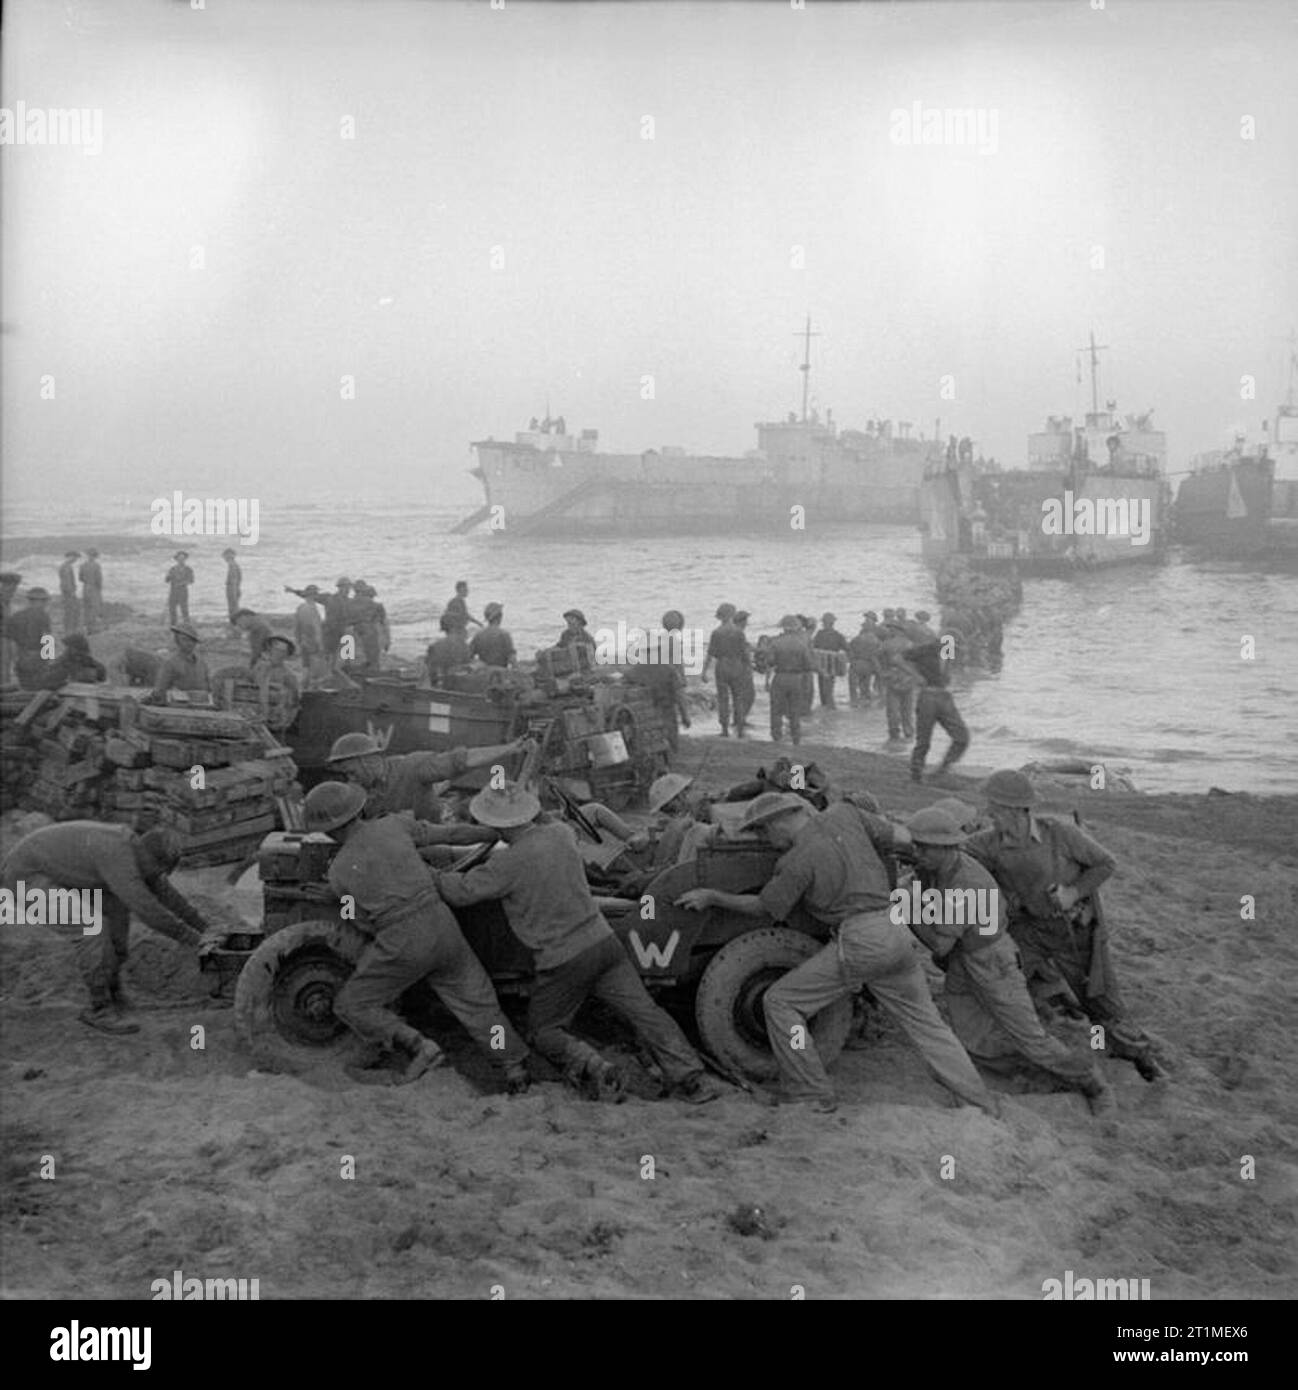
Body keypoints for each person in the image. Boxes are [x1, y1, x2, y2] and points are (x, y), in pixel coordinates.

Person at [676, 791, 998, 1116]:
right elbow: (901, 838)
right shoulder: (847, 813)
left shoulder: (796, 860)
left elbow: (763, 906)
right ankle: (979, 1102)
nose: (765, 839)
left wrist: (714, 897)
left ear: (781, 821)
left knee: (780, 1002)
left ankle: (811, 1090)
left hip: (862, 942)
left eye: (763, 830)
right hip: (896, 930)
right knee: (928, 1025)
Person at [436, 782, 725, 1104]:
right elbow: (552, 821)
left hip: (564, 958)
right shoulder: (560, 833)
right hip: (604, 942)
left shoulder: (506, 864)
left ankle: (597, 1068)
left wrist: (426, 874)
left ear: (494, 824)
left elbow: (460, 892)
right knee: (646, 1013)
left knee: (543, 1032)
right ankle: (694, 1079)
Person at [305, 781, 531, 1090]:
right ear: (358, 810)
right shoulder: (394, 825)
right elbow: (451, 834)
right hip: (443, 924)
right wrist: (496, 831)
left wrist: (337, 898)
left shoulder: (339, 872)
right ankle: (515, 1069)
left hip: (402, 941)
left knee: (352, 1004)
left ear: (328, 831)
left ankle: (419, 1046)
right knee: (479, 1005)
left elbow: (359, 922)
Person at [904, 808, 1114, 1116]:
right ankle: (1017, 1073)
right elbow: (924, 890)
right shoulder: (942, 867)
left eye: (922, 847)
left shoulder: (967, 884)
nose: (916, 852)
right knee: (969, 1031)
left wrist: (908, 909)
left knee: (1030, 1037)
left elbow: (940, 944)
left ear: (945, 848)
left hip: (992, 961)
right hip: (968, 956)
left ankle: (1092, 1083)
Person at [964, 770, 1165, 1081]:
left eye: (996, 807)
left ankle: (1139, 1056)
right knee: (1000, 976)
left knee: (1101, 1001)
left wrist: (1073, 893)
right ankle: (1035, 1020)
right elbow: (960, 854)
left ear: (1017, 810)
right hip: (1028, 931)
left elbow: (1105, 864)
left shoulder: (1060, 834)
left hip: (1072, 931)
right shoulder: (988, 842)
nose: (989, 812)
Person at [1, 823, 213, 1034]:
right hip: (26, 876)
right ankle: (99, 1008)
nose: (158, 876)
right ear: (149, 858)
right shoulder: (118, 856)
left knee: (117, 916)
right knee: (91, 927)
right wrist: (191, 938)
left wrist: (205, 929)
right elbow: (146, 909)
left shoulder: (136, 853)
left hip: (59, 872)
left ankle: (114, 991)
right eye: (159, 870)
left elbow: (165, 893)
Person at [325, 729, 527, 823]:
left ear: (368, 762)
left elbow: (460, 761)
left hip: (434, 836)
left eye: (352, 772)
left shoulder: (412, 767)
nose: (350, 780)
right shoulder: (357, 791)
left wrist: (509, 749)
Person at [901, 630, 969, 783]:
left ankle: (942, 769)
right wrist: (916, 676)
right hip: (928, 696)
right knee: (923, 740)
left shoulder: (948, 652)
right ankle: (916, 772)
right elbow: (898, 658)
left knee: (962, 737)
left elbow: (946, 669)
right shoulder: (926, 649)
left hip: (944, 696)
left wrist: (947, 674)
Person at [629, 610, 691, 754]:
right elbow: (678, 670)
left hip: (648, 699)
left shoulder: (639, 666)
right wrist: (685, 714)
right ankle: (671, 752)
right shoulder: (673, 643)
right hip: (666, 692)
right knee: (669, 725)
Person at [701, 603, 751, 738]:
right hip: (736, 666)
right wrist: (748, 668)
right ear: (733, 615)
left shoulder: (716, 632)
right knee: (738, 698)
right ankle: (740, 729)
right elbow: (745, 654)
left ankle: (724, 729)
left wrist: (704, 672)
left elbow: (710, 654)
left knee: (723, 699)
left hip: (722, 666)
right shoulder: (739, 632)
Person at [767, 615, 813, 745]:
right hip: (796, 679)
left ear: (783, 627)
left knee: (776, 709)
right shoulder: (802, 644)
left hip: (780, 677)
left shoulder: (775, 642)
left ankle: (776, 737)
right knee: (795, 710)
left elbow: (770, 662)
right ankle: (796, 738)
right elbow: (808, 664)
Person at [878, 616, 918, 744]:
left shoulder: (886, 644)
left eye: (890, 628)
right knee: (907, 709)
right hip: (908, 679)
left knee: (893, 708)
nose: (889, 631)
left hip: (893, 678)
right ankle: (908, 733)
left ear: (895, 630)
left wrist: (883, 672)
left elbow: (878, 658)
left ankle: (894, 733)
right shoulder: (910, 644)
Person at [148, 622, 210, 703]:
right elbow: (159, 691)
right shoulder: (170, 663)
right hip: (178, 708)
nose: (189, 643)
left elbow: (208, 688)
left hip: (202, 706)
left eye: (192, 640)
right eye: (185, 639)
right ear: (177, 641)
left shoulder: (202, 664)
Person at [7, 586, 54, 689]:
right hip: (38, 660)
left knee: (25, 690)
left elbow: (11, 643)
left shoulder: (16, 616)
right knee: (38, 692)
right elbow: (47, 639)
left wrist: (15, 660)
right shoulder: (43, 616)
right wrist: (49, 661)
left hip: (22, 658)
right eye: (44, 601)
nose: (45, 604)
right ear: (40, 601)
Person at [252, 634, 300, 731]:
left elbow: (294, 702)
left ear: (286, 655)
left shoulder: (288, 675)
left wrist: (284, 720)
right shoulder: (259, 667)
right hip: (254, 715)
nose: (278, 654)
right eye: (276, 649)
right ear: (270, 650)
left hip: (276, 721)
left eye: (282, 651)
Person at [286, 584, 327, 687]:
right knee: (315, 668)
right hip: (313, 642)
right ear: (314, 595)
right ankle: (313, 689)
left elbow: (296, 627)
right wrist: (320, 644)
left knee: (305, 666)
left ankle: (303, 687)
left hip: (303, 641)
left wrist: (298, 641)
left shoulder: (301, 607)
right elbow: (316, 628)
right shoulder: (313, 609)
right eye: (317, 594)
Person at [38, 632, 107, 688]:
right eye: (70, 648)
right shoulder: (61, 663)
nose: (71, 650)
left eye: (77, 649)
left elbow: (102, 679)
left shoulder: (93, 665)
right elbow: (47, 679)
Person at [812, 611, 848, 709]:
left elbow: (812, 648)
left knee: (823, 689)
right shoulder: (838, 635)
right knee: (828, 689)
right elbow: (847, 649)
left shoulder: (819, 634)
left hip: (821, 665)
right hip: (832, 666)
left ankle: (828, 708)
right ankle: (829, 709)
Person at [426, 613, 472, 687]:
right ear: (455, 626)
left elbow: (430, 672)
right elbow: (468, 668)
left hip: (442, 687)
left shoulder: (434, 646)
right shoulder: (464, 645)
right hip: (460, 686)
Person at [348, 581, 385, 672]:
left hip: (351, 630)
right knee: (373, 655)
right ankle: (374, 671)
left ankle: (348, 671)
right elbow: (381, 619)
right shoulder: (374, 604)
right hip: (368, 629)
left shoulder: (349, 602)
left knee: (349, 656)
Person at [848, 611, 882, 707]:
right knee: (866, 685)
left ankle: (854, 703)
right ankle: (866, 703)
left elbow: (850, 650)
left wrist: (852, 661)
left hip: (857, 664)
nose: (866, 619)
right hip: (870, 664)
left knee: (854, 687)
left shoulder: (857, 638)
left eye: (867, 618)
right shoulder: (876, 639)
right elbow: (878, 652)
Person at [321, 577, 353, 675]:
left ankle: (344, 670)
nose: (348, 589)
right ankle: (328, 673)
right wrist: (293, 591)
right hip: (330, 631)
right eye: (346, 587)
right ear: (339, 587)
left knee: (347, 655)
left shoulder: (350, 601)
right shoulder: (329, 598)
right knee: (329, 654)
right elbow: (311, 595)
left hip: (343, 630)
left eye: (349, 587)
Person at [469, 602, 516, 668]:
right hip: (500, 673)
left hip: (485, 673)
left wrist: (479, 664)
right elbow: (512, 659)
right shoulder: (504, 635)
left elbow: (468, 656)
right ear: (500, 617)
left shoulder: (478, 635)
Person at [731, 611, 756, 731]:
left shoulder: (730, 632)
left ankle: (738, 720)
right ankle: (741, 720)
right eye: (746, 620)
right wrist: (751, 664)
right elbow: (744, 652)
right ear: (742, 621)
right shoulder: (739, 633)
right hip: (742, 668)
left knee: (738, 695)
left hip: (732, 667)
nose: (747, 623)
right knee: (749, 695)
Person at [0, 571, 22, 685]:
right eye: (10, 590)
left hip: (6, 639)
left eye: (14, 590)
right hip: (3, 638)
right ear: (4, 586)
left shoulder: (7, 602)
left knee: (6, 665)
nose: (12, 593)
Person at [165, 552, 194, 626]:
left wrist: (182, 583)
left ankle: (187, 625)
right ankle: (173, 625)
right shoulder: (172, 569)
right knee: (172, 609)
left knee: (184, 609)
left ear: (185, 559)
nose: (181, 560)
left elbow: (191, 580)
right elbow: (167, 580)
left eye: (183, 559)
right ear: (176, 559)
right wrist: (168, 576)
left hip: (183, 592)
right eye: (179, 558)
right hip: (173, 592)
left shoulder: (188, 569)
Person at [79, 549, 104, 633]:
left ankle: (86, 627)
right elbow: (98, 579)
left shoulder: (83, 565)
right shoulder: (96, 566)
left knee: (86, 608)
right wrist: (99, 588)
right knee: (94, 608)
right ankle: (92, 628)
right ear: (95, 557)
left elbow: (80, 578)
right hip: (94, 589)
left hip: (85, 588)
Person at [58, 551, 80, 634]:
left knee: (70, 611)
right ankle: (69, 630)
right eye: (75, 557)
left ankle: (69, 630)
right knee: (70, 611)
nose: (75, 560)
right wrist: (71, 592)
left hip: (67, 592)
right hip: (68, 593)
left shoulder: (66, 566)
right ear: (69, 556)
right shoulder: (66, 567)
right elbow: (66, 582)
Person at [222, 548, 242, 625]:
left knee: (233, 607)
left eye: (226, 556)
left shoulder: (232, 565)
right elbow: (239, 578)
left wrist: (234, 591)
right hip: (234, 588)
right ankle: (235, 623)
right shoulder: (234, 565)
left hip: (232, 588)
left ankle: (234, 623)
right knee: (234, 606)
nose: (225, 558)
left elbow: (234, 580)